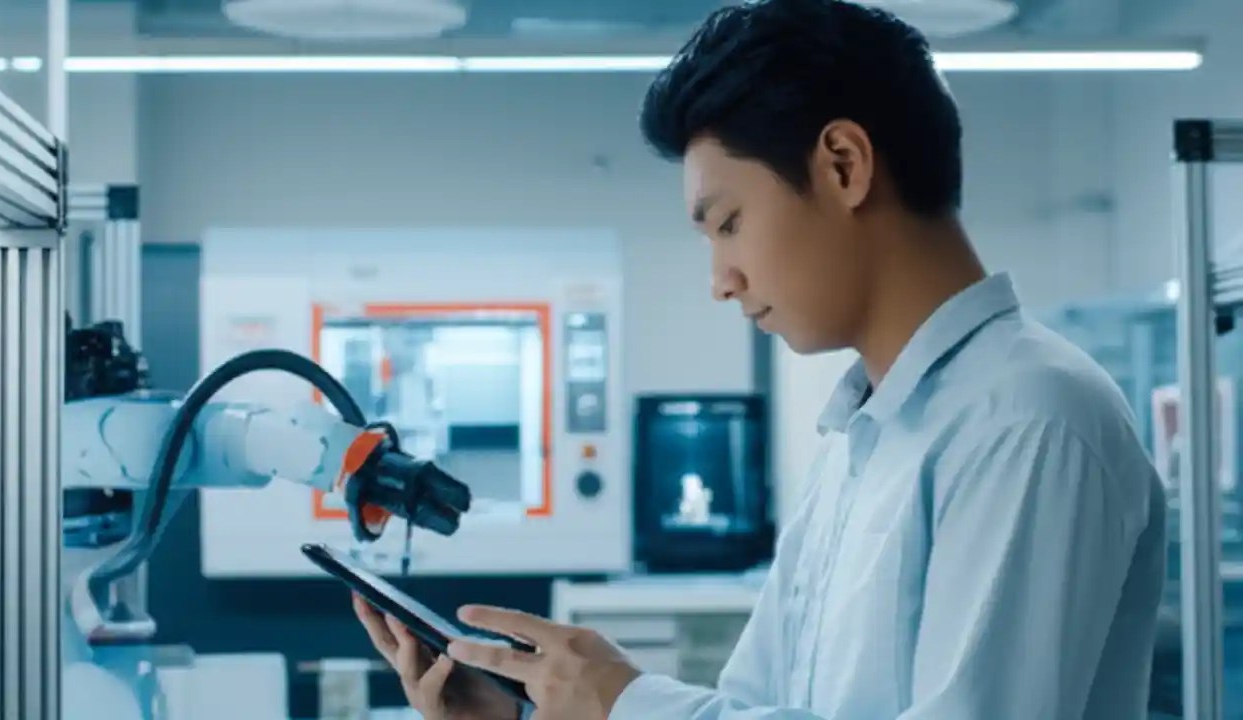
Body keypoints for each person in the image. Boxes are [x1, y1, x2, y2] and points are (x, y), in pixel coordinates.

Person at [353, 0, 1168, 717]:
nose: (721, 279)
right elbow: (755, 708)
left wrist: (628, 704)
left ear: (843, 165)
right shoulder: (862, 442)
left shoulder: (1029, 419)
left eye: (729, 223)